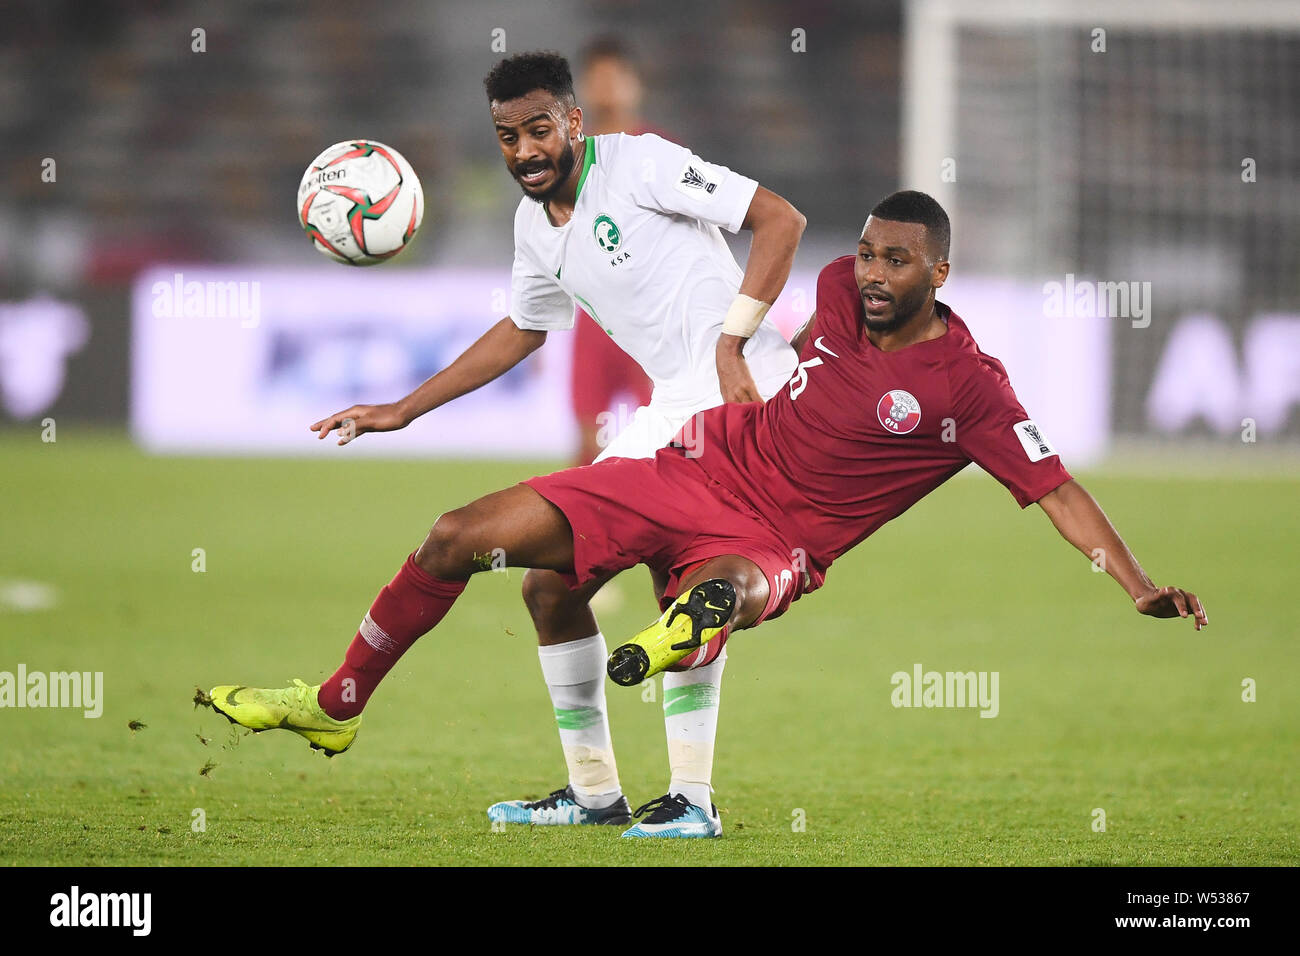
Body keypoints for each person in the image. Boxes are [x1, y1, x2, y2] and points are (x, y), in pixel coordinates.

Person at [209, 190, 1207, 839]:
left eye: (895, 262)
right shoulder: (830, 289)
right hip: (692, 464)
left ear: (937, 275)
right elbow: (801, 331)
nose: (868, 274)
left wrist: (1134, 583)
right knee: (460, 535)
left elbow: (1059, 490)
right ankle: (340, 701)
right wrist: (733, 357)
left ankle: (682, 669)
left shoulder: (971, 388)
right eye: (864, 254)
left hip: (777, 538)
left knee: (732, 586)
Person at [294, 51, 803, 837]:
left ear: (573, 121)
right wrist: (403, 409)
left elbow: (781, 219)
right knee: (551, 588)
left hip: (746, 400)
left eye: (539, 129)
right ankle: (595, 793)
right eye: (506, 136)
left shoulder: (640, 163)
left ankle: (692, 801)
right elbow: (525, 329)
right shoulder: (535, 227)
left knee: (689, 581)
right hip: (673, 407)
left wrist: (733, 345)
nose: (525, 151)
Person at [569, 36, 659, 466]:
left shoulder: (661, 152)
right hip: (593, 321)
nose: (605, 87)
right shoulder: (565, 158)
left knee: (663, 445)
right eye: (597, 78)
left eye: (614, 77)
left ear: (634, 85)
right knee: (589, 447)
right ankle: (584, 533)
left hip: (652, 321)